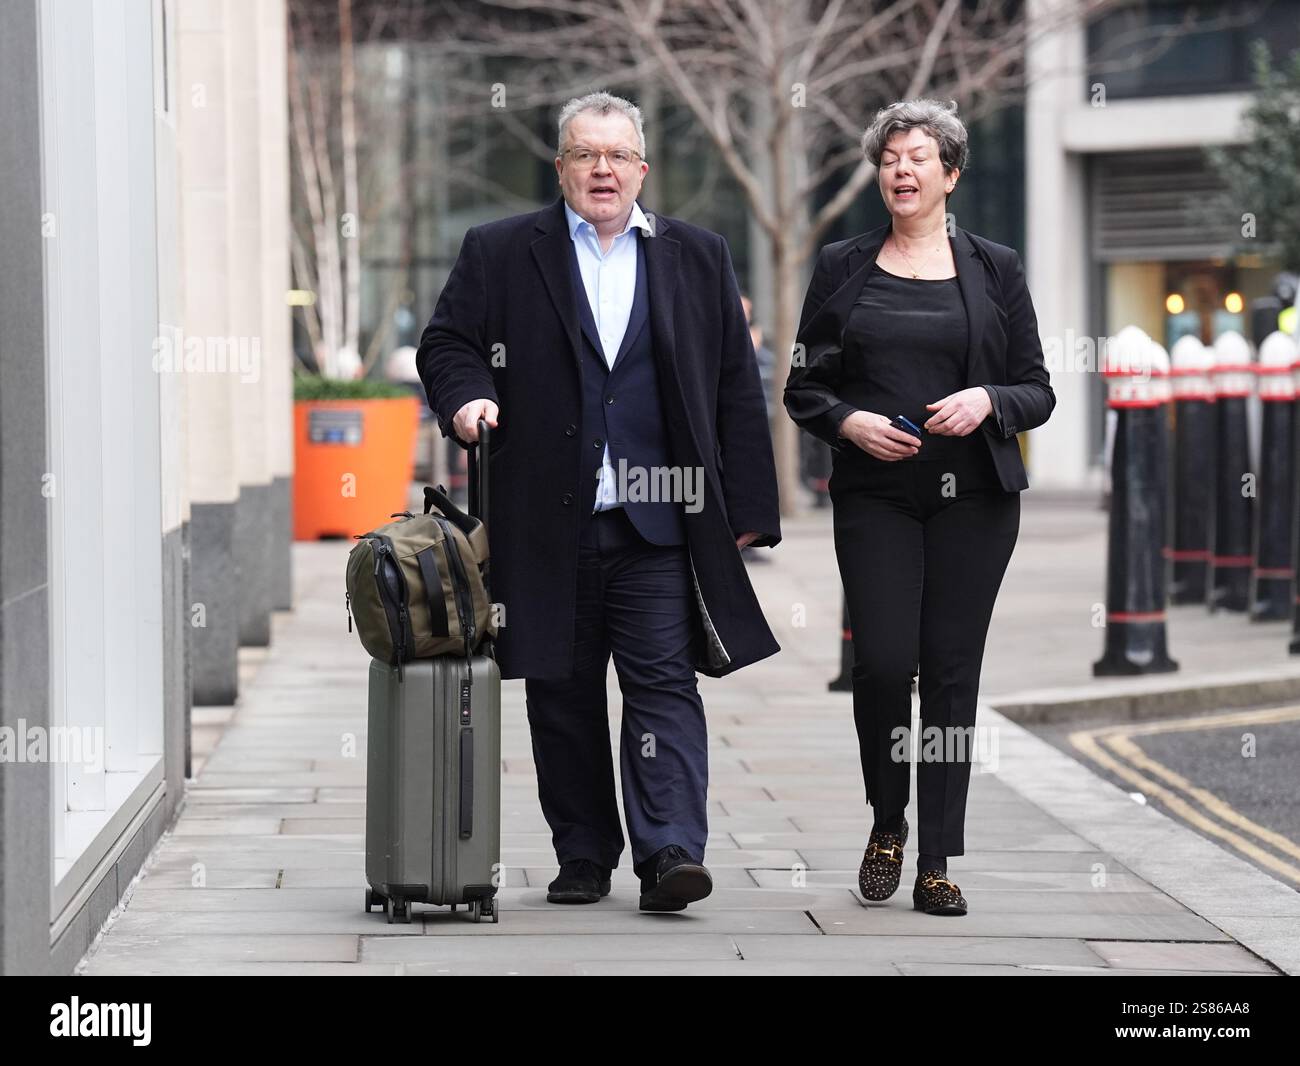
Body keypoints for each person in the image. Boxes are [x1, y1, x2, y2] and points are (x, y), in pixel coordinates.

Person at [417, 91, 781, 913]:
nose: (603, 170)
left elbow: (733, 386)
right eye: (586, 155)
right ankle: (583, 852)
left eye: (618, 155)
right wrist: (467, 398)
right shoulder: (503, 250)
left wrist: (750, 504)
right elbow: (447, 342)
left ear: (643, 168)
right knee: (560, 689)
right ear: (562, 167)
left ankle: (671, 852)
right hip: (545, 521)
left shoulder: (698, 255)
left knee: (662, 686)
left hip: (658, 521)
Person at [783, 98, 1054, 916]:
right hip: (877, 497)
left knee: (949, 673)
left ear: (951, 174)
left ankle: (936, 857)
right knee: (882, 663)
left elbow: (1037, 389)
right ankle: (888, 819)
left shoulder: (994, 267)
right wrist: (850, 423)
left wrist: (987, 400)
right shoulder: (843, 264)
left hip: (973, 497)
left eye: (917, 157)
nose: (900, 169)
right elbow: (804, 385)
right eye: (890, 157)